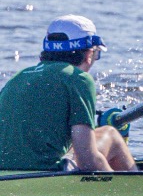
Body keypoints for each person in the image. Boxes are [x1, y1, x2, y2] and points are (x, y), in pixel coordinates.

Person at [0, 16, 134, 173]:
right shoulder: (78, 79)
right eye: (96, 54)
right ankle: (135, 192)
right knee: (110, 134)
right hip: (45, 176)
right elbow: (87, 161)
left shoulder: (19, 77)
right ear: (88, 53)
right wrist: (119, 188)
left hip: (5, 179)